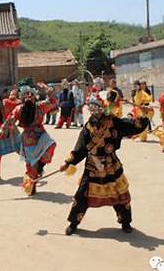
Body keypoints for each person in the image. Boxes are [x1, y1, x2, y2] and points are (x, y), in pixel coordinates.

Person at [59, 94, 150, 235]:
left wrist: (143, 116)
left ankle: (125, 222)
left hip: (111, 164)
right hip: (92, 166)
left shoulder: (113, 121)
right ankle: (74, 223)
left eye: (98, 107)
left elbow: (131, 126)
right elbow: (80, 148)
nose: (95, 111)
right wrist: (68, 163)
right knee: (82, 194)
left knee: (120, 194)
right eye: (92, 108)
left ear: (103, 108)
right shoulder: (88, 127)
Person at [0, 85, 57, 191]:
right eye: (26, 95)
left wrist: (49, 93)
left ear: (35, 97)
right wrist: (0, 132)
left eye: (31, 95)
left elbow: (53, 102)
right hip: (27, 139)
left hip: (41, 134)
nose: (29, 97)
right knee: (31, 164)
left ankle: (40, 165)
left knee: (51, 145)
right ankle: (31, 185)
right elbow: (9, 120)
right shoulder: (18, 109)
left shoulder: (40, 106)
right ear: (22, 97)